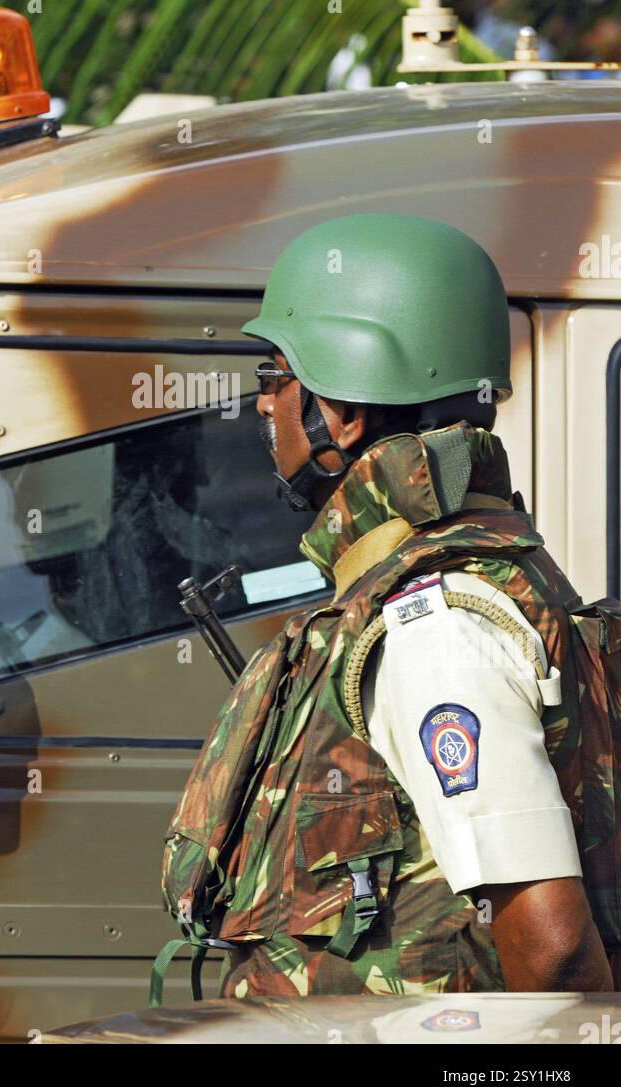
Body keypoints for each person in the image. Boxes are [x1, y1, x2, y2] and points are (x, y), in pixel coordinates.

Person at [165, 212, 612, 997]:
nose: (263, 406)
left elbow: (557, 954)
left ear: (345, 410)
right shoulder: (436, 591)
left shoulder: (438, 628)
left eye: (277, 377)